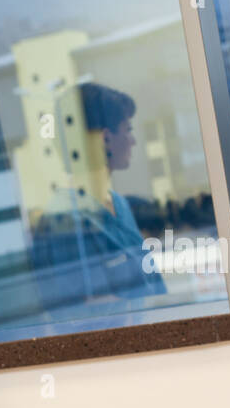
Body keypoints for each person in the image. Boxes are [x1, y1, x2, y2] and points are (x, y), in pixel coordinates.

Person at [30, 82, 167, 314]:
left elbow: (151, 287)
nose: (133, 141)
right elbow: (89, 316)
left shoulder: (118, 205)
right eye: (128, 129)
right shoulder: (65, 221)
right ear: (105, 139)